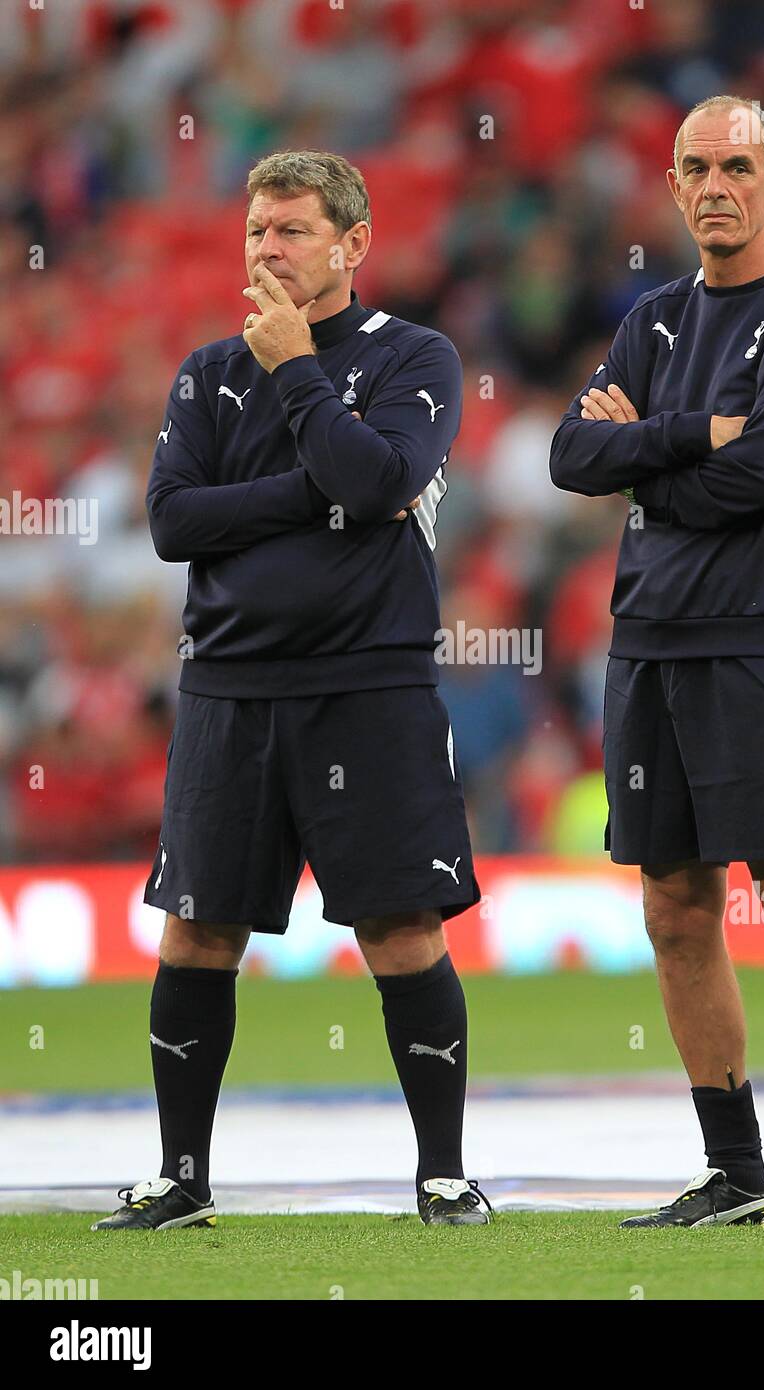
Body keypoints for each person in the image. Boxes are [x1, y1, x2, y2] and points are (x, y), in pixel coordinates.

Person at [92, 150, 490, 1231]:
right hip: (228, 684)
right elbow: (177, 519)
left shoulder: (419, 355)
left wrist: (297, 377)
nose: (267, 250)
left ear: (352, 245)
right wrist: (317, 486)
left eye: (292, 231)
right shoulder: (204, 370)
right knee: (197, 931)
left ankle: (444, 1174)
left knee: (403, 929)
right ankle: (180, 1175)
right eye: (257, 230)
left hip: (372, 682)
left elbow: (378, 480)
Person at [551, 96, 764, 1228]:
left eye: (740, 165)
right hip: (648, 643)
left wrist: (644, 461)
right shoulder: (657, 316)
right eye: (697, 167)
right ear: (674, 186)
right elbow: (569, 452)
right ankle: (734, 1169)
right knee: (676, 908)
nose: (717, 184)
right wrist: (691, 435)